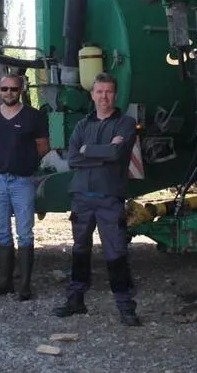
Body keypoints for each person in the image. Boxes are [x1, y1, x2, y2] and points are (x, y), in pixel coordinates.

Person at [52, 71, 141, 326]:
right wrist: (104, 152)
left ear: (115, 94)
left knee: (116, 252)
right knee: (80, 250)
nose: (104, 97)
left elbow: (116, 154)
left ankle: (125, 307)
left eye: (108, 92)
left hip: (109, 199)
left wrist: (88, 150)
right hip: (81, 197)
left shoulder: (125, 123)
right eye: (99, 92)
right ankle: (75, 300)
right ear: (92, 95)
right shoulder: (82, 125)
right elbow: (73, 158)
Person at [0, 74, 50, 301]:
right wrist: (2, 160)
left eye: (13, 89)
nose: (9, 93)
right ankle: (5, 282)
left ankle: (25, 285)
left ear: (20, 90)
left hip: (23, 181)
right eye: (5, 89)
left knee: (25, 233)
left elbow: (43, 146)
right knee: (1, 232)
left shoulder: (34, 117)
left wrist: (24, 162)